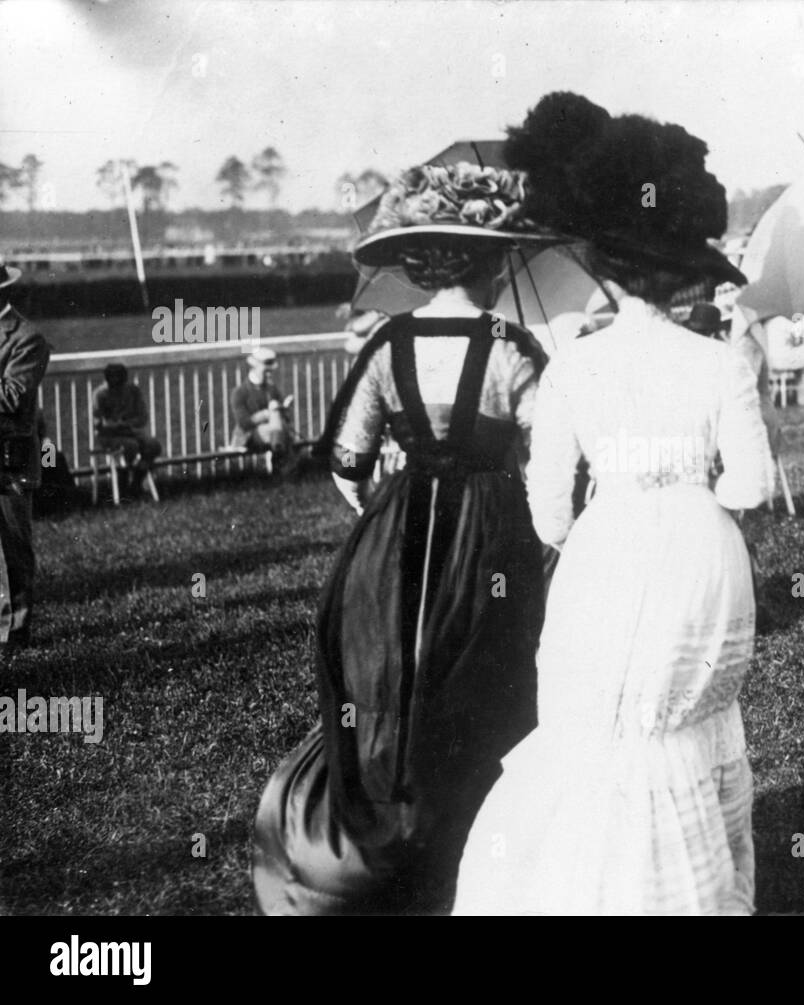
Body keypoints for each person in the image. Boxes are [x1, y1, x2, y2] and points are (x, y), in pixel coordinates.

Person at [454, 91, 774, 915]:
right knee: (686, 727)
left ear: (608, 268)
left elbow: (549, 512)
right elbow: (749, 486)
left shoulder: (574, 367)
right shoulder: (720, 363)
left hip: (606, 547)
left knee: (600, 729)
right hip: (703, 556)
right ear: (685, 276)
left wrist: (611, 503)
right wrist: (689, 491)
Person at [251, 158, 548, 914]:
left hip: (400, 526)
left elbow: (347, 462)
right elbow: (553, 455)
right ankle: (477, 836)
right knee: (492, 670)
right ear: (489, 261)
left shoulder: (388, 344)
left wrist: (377, 516)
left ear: (422, 266)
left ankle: (390, 813)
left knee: (390, 673)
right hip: (493, 528)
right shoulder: (512, 349)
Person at [0, 255, 51, 650]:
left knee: (13, 546)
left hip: (9, 458)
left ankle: (15, 631)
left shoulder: (26, 337)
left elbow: (13, 396)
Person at [92, 363, 162, 493]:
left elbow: (142, 417)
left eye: (120, 382)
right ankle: (122, 485)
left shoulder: (133, 391)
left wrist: (126, 424)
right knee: (131, 446)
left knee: (153, 445)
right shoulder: (100, 395)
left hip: (130, 430)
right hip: (108, 436)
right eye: (112, 382)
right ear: (107, 380)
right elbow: (99, 424)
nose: (116, 386)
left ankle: (136, 481)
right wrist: (114, 425)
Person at [228, 348, 294, 461]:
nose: (269, 374)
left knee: (277, 421)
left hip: (270, 434)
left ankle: (279, 453)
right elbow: (244, 423)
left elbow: (287, 419)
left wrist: (283, 409)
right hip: (248, 437)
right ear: (255, 367)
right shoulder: (240, 392)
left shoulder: (272, 389)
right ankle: (283, 465)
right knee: (280, 426)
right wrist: (268, 413)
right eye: (266, 370)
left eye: (270, 371)